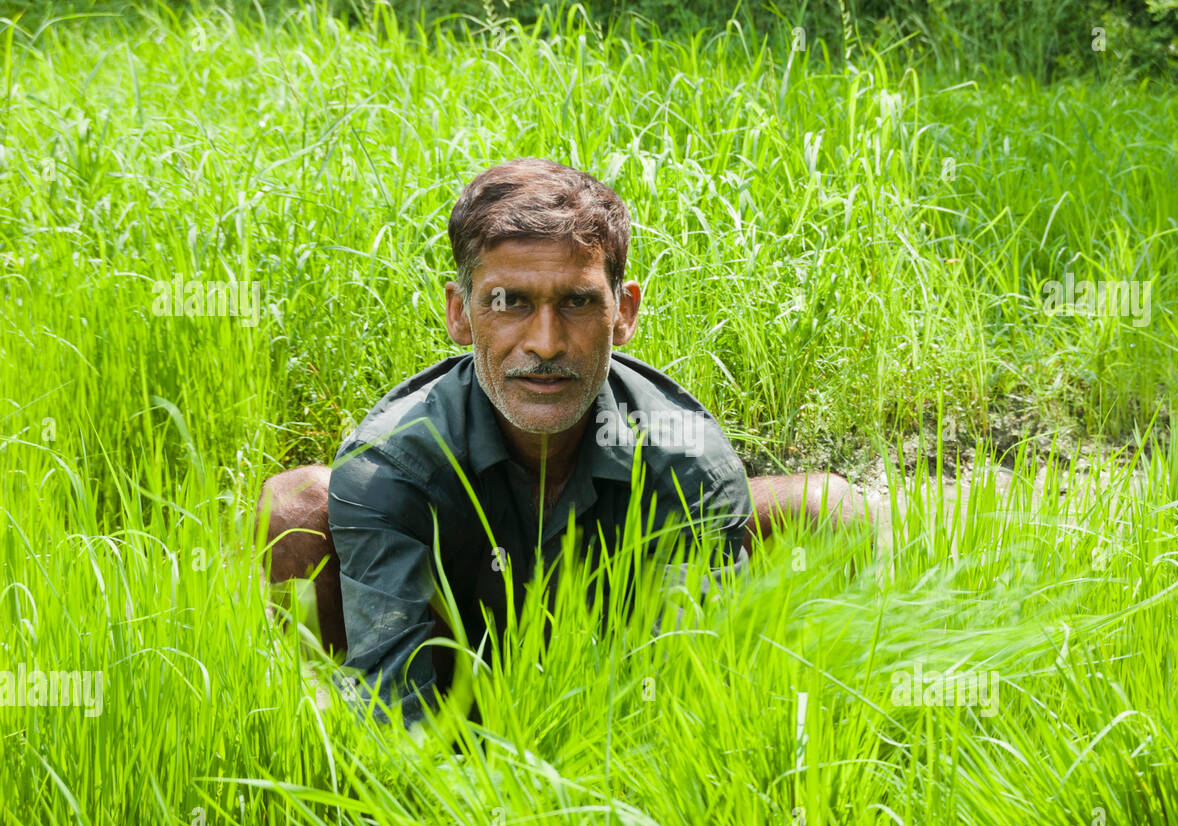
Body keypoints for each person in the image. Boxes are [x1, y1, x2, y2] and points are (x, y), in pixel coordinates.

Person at [257, 158, 862, 727]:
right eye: (509, 302)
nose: (545, 344)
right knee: (292, 506)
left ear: (622, 313)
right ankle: (315, 725)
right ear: (460, 313)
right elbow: (399, 714)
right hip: (457, 668)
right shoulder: (391, 464)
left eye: (576, 302)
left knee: (829, 509)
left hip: (614, 664)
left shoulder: (688, 460)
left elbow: (678, 697)